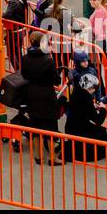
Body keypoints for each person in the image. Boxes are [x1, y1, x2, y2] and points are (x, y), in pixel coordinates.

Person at [18, 31, 63, 165]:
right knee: (50, 127)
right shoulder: (48, 60)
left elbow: (24, 75)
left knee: (35, 127)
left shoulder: (25, 58)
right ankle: (52, 158)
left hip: (32, 94)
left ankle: (38, 156)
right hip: (47, 96)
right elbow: (56, 80)